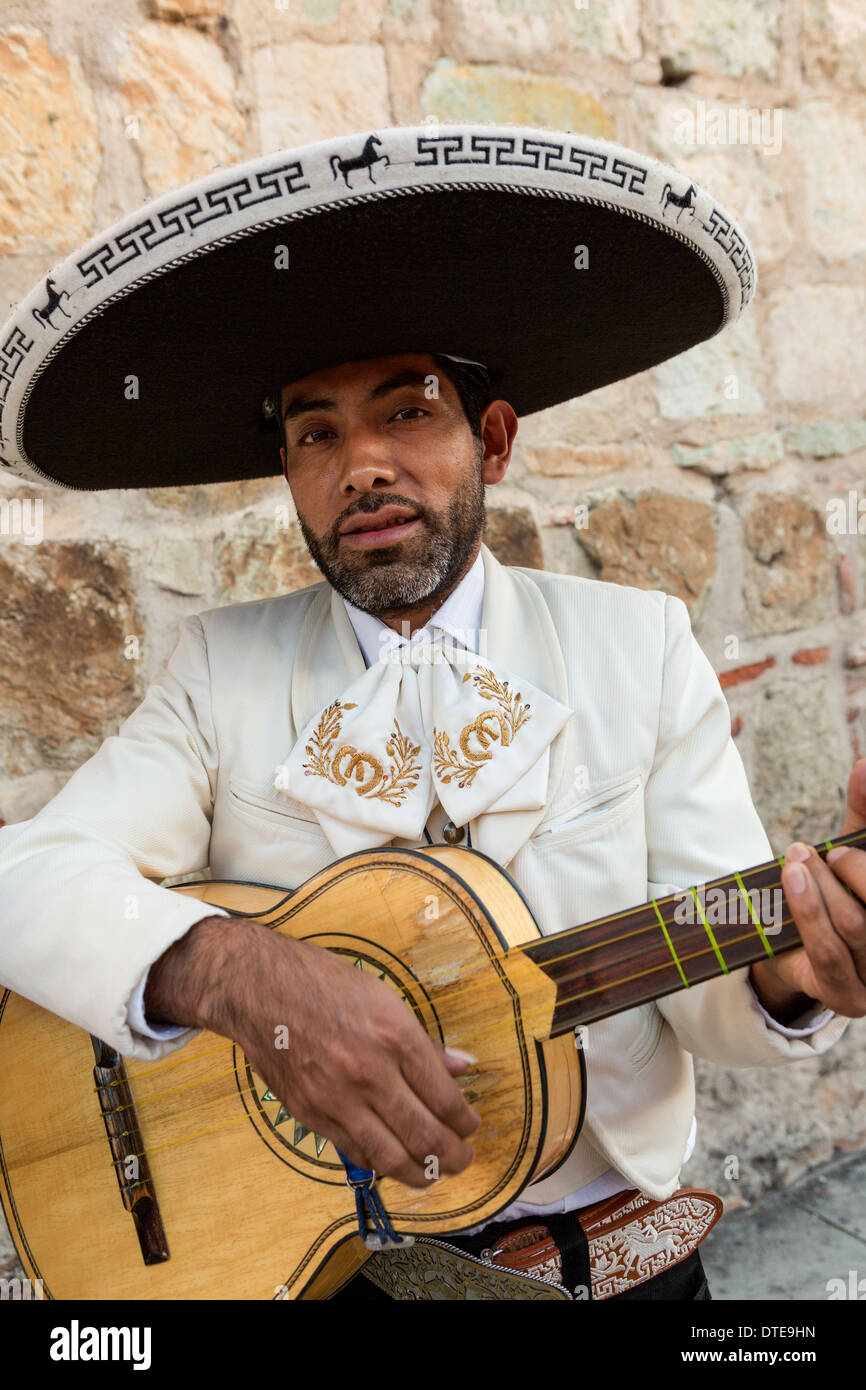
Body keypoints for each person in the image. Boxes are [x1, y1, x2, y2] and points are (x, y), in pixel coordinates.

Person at [0, 123, 862, 1301]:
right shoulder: (219, 669)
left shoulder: (637, 645)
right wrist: (236, 974)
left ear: (489, 440)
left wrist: (794, 967)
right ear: (293, 476)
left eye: (404, 413)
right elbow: (25, 877)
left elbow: (707, 986)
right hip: (337, 1271)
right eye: (315, 433)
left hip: (611, 1263)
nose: (359, 464)